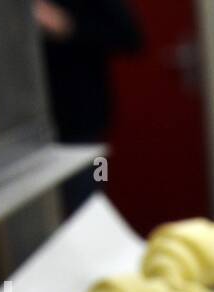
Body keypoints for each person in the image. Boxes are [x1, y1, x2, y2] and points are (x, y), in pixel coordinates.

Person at [35, 0, 142, 214]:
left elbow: (130, 37)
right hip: (25, 132)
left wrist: (68, 26)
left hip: (81, 125)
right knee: (39, 223)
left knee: (86, 211)